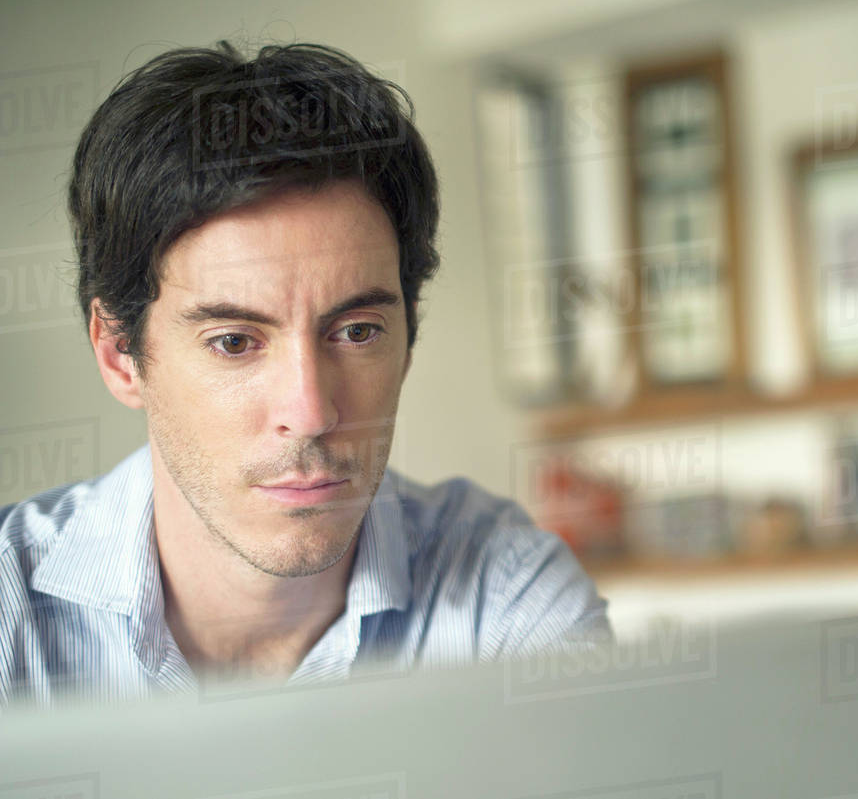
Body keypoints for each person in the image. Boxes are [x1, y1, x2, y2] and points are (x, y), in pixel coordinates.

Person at [0, 41, 611, 709]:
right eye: (234, 341)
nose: (312, 410)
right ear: (121, 356)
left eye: (356, 332)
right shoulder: (12, 612)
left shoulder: (508, 599)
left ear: (408, 339)